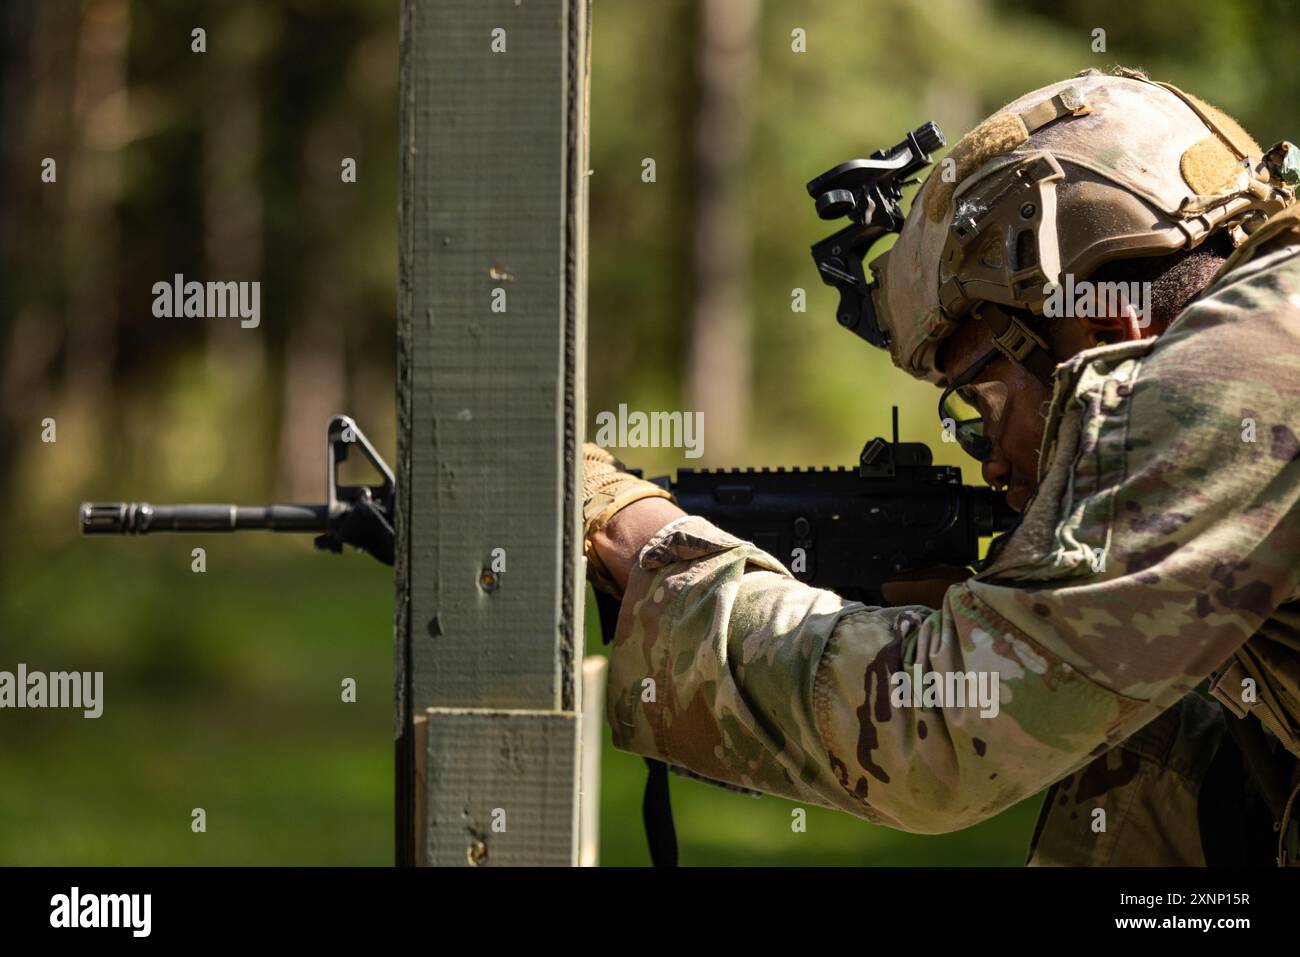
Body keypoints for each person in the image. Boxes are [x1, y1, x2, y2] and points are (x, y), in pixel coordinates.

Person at [582, 67, 1300, 866]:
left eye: (982, 399)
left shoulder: (1237, 369)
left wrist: (636, 530)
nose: (991, 463)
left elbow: (943, 736)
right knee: (1160, 764)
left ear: (1102, 325)